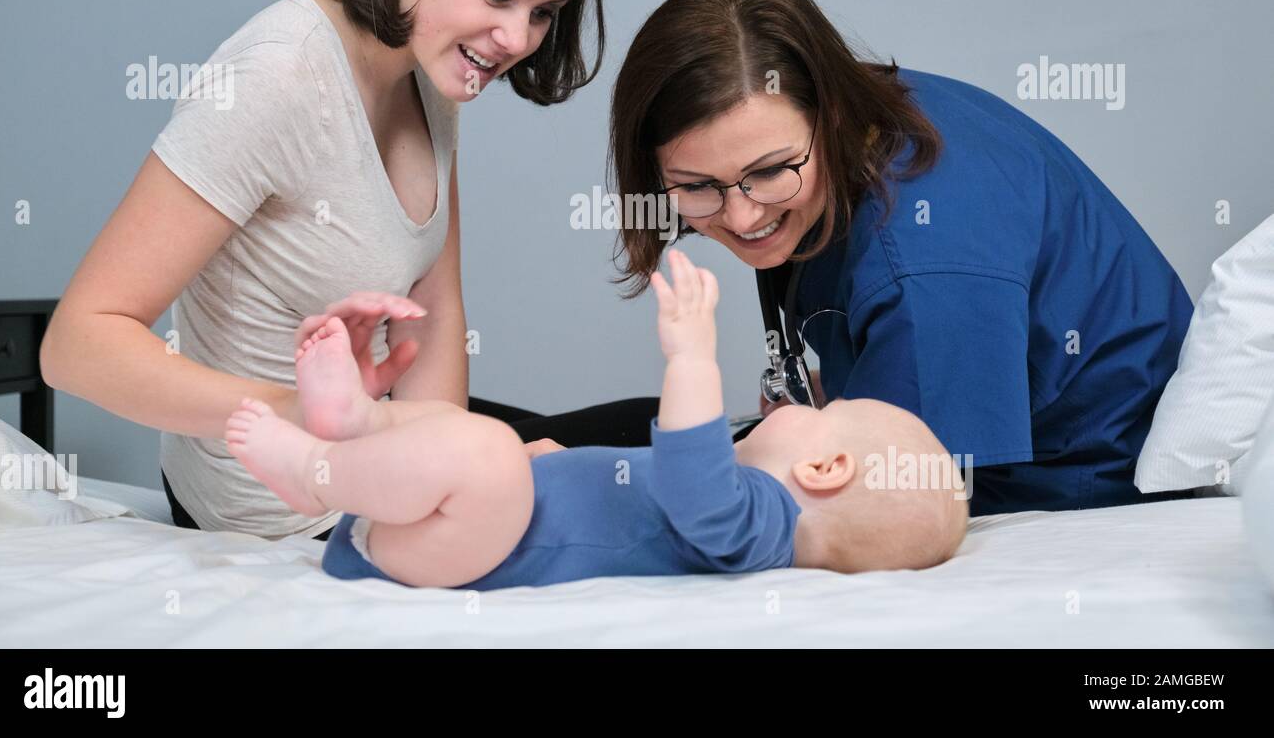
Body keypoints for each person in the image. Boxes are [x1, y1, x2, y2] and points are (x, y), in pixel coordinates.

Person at [39, 0, 645, 540]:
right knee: (611, 479)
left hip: (376, 465)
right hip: (280, 508)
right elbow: (76, 345)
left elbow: (435, 313)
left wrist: (444, 469)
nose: (517, 37)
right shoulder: (277, 78)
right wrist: (306, 412)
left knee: (654, 436)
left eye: (544, 10)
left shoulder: (433, 68)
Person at [608, 0, 1197, 515]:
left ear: (830, 114)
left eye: (769, 172)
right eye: (698, 185)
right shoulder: (857, 107)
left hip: (1072, 484)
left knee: (622, 478)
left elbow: (898, 501)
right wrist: (855, 377)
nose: (739, 217)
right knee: (609, 436)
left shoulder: (929, 269)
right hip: (969, 410)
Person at [222, 249, 967, 589]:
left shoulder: (759, 529)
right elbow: (637, 497)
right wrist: (556, 475)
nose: (804, 404)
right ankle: (356, 423)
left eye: (824, 411)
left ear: (824, 469)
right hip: (456, 535)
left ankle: (316, 476)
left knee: (486, 454)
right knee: (480, 445)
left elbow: (693, 487)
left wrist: (692, 361)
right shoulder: (751, 511)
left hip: (469, 553)